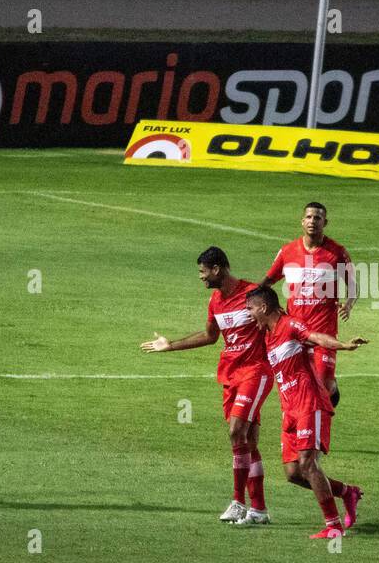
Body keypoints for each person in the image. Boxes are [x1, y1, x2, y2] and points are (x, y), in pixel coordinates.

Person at [141, 247, 272, 524]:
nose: (201, 277)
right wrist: (171, 345)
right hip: (231, 375)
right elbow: (211, 336)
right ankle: (258, 509)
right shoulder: (215, 301)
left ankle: (238, 502)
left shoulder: (253, 294)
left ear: (217, 269)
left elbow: (278, 322)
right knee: (247, 441)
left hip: (256, 372)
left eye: (203, 272)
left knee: (237, 430)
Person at [245, 285, 366, 539]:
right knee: (293, 474)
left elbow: (316, 337)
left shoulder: (290, 325)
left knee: (308, 463)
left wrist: (343, 345)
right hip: (289, 410)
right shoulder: (268, 337)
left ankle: (333, 526)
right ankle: (347, 492)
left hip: (309, 403)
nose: (249, 314)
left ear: (264, 307)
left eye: (251, 309)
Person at [260, 201, 355, 407]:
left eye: (318, 218)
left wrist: (348, 304)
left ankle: (327, 397)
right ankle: (303, 431)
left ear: (325, 222)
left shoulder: (337, 252)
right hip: (294, 333)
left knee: (320, 384)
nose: (313, 221)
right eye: (309, 217)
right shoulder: (287, 252)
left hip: (324, 331)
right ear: (302, 221)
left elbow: (353, 286)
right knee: (296, 387)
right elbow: (267, 282)